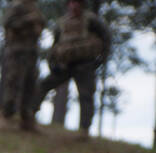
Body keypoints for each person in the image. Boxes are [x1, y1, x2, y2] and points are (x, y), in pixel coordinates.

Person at [34, 0, 112, 138]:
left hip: (85, 65)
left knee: (86, 96)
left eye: (76, 3)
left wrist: (101, 60)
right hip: (65, 65)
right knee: (43, 85)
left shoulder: (91, 20)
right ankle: (29, 115)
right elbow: (55, 45)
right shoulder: (62, 23)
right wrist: (52, 64)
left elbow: (106, 37)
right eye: (71, 3)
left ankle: (84, 130)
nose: (73, 6)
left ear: (82, 5)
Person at [0, 0, 46, 131]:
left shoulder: (34, 7)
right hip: (17, 51)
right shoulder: (17, 6)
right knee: (13, 82)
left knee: (30, 85)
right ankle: (8, 116)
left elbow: (41, 24)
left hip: (31, 52)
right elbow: (7, 23)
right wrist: (28, 20)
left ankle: (26, 120)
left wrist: (38, 21)